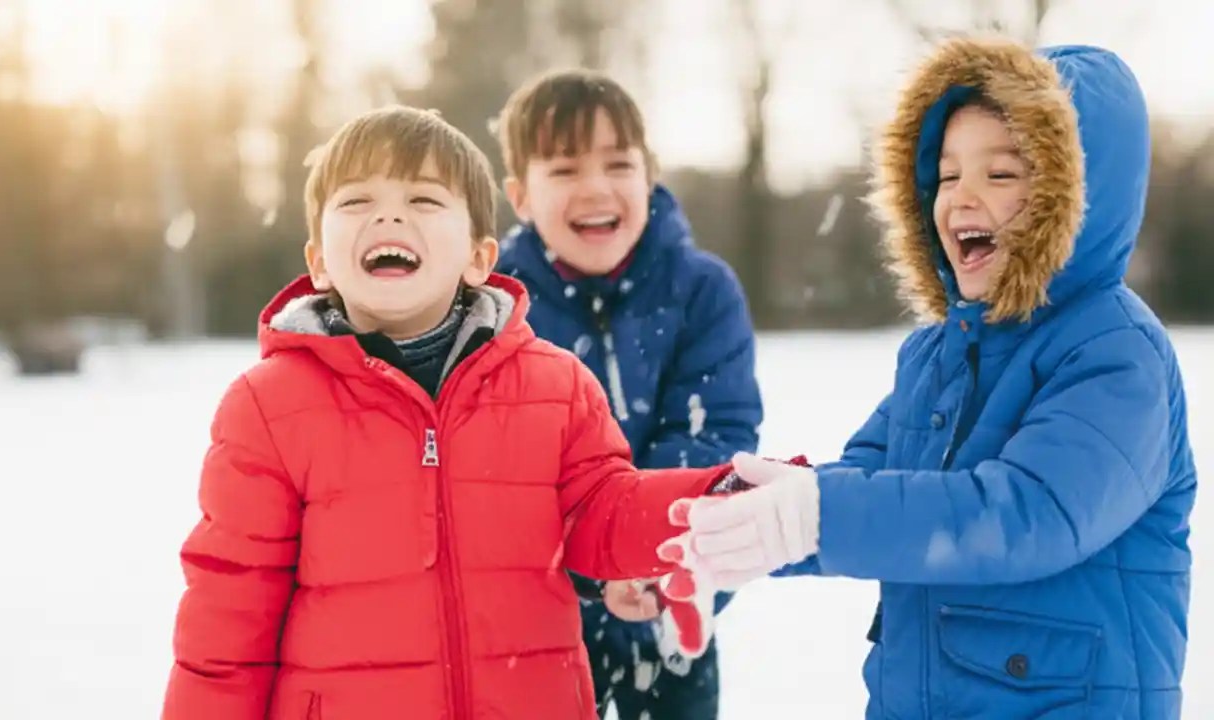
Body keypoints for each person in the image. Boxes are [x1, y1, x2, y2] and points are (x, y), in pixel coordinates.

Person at [663, 38, 1196, 720]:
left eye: (1000, 175)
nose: (960, 198)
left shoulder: (1117, 355)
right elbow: (866, 478)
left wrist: (812, 518)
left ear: (1076, 200)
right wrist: (752, 516)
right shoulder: (938, 354)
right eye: (945, 177)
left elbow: (1025, 514)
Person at [161, 105, 732, 720]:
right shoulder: (270, 408)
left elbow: (605, 514)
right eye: (356, 202)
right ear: (320, 261)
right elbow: (228, 618)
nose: (389, 215)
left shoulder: (556, 386)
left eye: (424, 201)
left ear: (479, 258)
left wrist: (717, 496)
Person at [495, 68, 762, 719]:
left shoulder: (701, 291)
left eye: (618, 164)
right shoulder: (494, 307)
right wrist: (592, 572)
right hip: (533, 631)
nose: (595, 188)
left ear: (650, 174)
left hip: (671, 610)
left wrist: (645, 561)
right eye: (562, 170)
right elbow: (500, 476)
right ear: (520, 195)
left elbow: (714, 439)